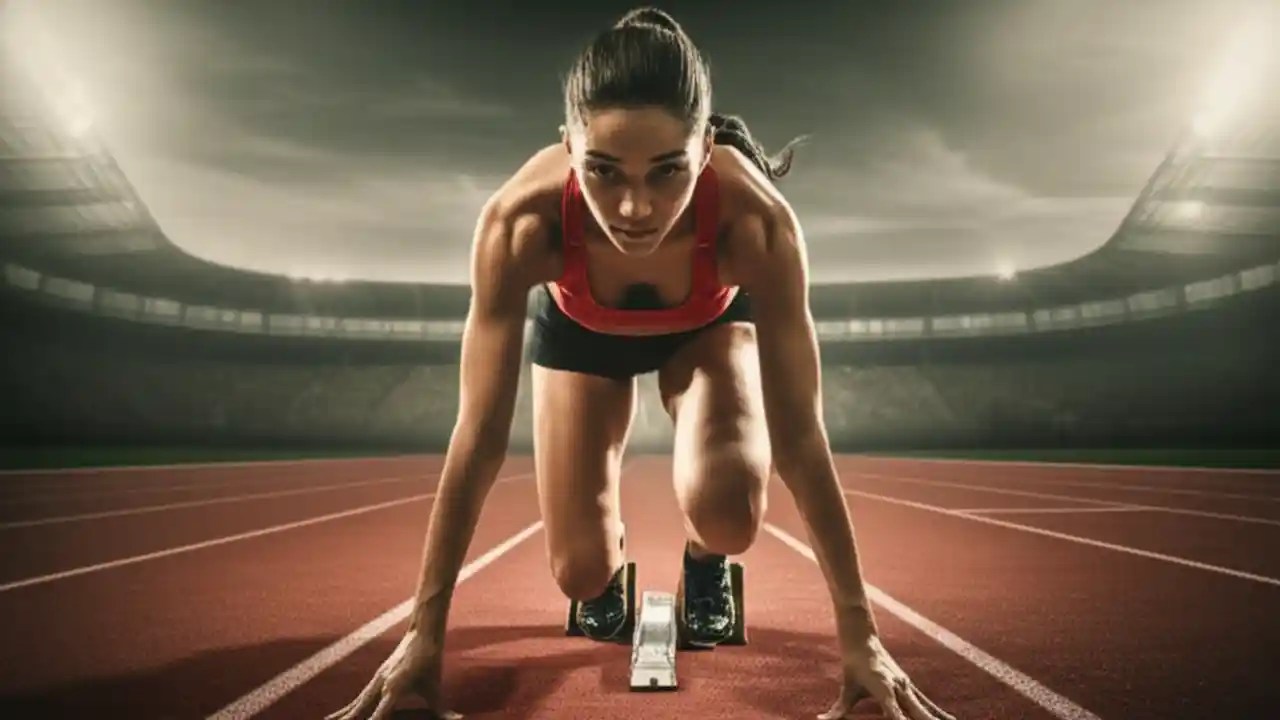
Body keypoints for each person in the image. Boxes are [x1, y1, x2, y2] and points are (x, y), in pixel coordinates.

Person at [328, 7, 954, 720]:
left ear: (707, 145)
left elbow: (802, 440)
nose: (634, 207)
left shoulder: (756, 225)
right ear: (568, 149)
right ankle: (605, 575)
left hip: (708, 328)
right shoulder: (520, 225)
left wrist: (861, 635)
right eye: (602, 170)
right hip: (581, 335)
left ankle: (704, 559)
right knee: (578, 570)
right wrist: (423, 636)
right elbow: (477, 439)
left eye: (667, 173)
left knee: (728, 513)